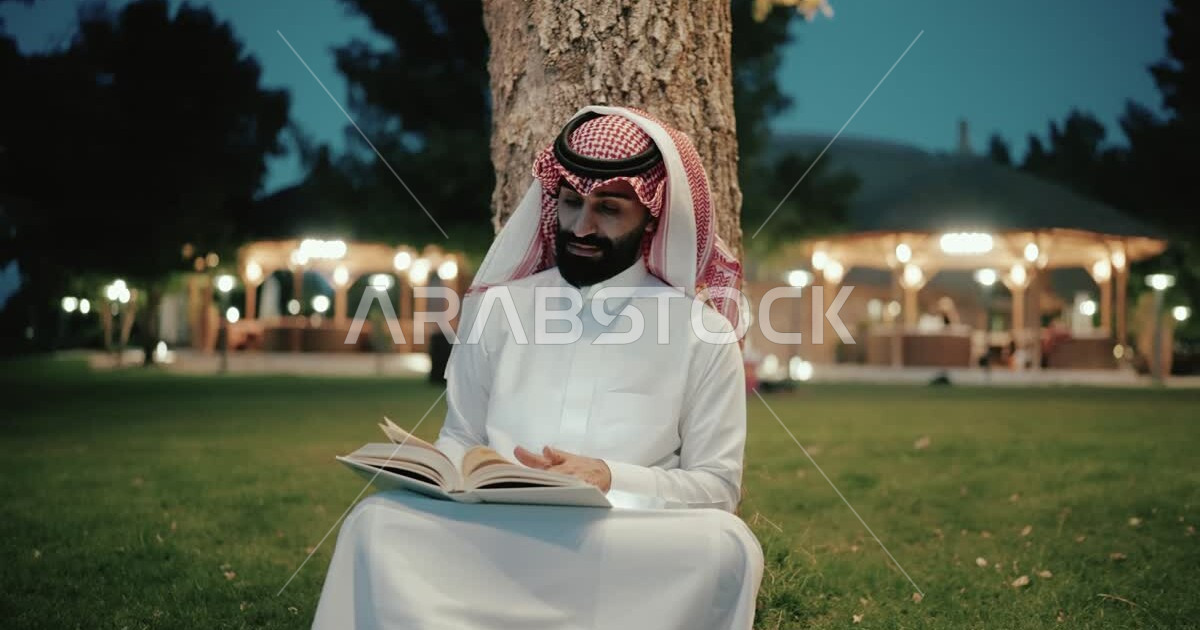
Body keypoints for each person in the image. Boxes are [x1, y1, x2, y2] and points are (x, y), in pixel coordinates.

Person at [312, 106, 764, 629]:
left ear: (653, 216)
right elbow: (461, 434)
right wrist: (437, 469)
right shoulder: (497, 311)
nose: (582, 225)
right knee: (374, 523)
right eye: (572, 203)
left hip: (621, 541)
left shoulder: (701, 332)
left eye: (608, 209)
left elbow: (716, 486)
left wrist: (610, 475)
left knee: (723, 544)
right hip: (494, 532)